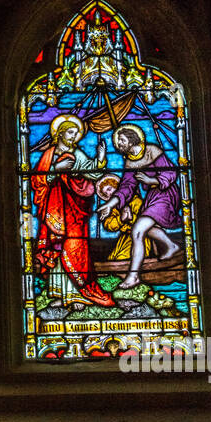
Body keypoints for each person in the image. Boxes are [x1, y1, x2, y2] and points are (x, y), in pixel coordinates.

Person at [30, 113, 116, 308]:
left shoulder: (77, 154)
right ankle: (60, 294)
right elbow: (38, 180)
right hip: (55, 209)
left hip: (75, 210)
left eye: (76, 133)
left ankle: (78, 294)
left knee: (76, 247)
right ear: (60, 133)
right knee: (58, 248)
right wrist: (55, 169)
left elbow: (91, 172)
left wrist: (101, 158)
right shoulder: (49, 154)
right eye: (70, 132)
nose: (74, 136)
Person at [98, 124, 182, 288]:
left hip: (166, 194)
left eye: (122, 140)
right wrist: (110, 204)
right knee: (145, 227)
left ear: (132, 139)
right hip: (153, 197)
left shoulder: (152, 151)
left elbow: (171, 172)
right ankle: (171, 246)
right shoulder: (130, 162)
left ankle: (133, 276)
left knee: (137, 230)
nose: (119, 145)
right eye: (118, 143)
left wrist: (152, 181)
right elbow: (126, 188)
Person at [95, 174, 155, 263]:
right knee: (112, 259)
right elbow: (109, 225)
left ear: (117, 186)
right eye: (105, 193)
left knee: (122, 258)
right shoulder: (113, 209)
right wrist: (121, 219)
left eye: (109, 189)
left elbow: (146, 220)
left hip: (139, 238)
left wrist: (131, 218)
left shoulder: (135, 200)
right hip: (124, 239)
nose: (109, 193)